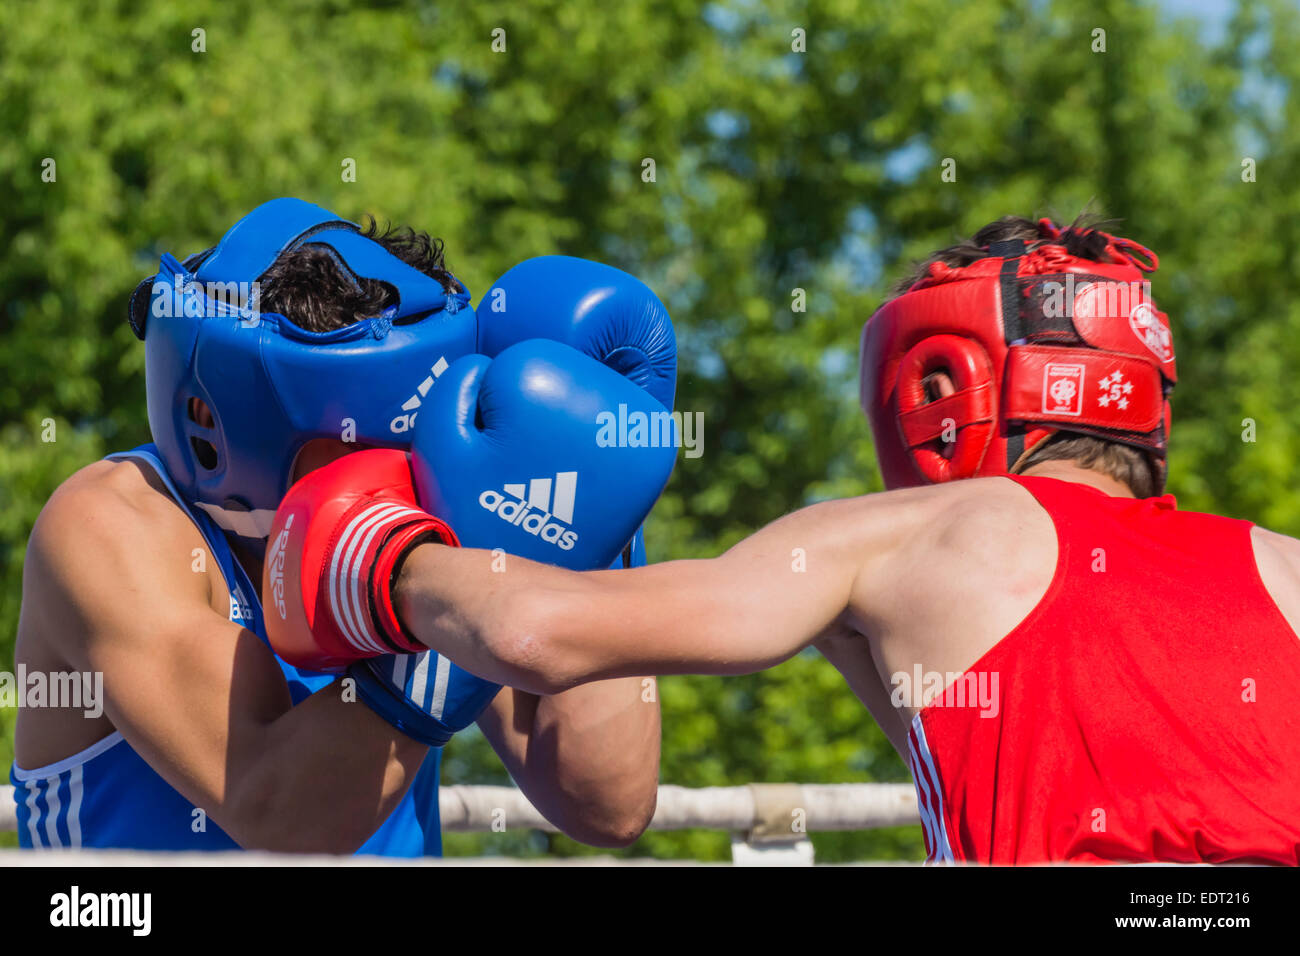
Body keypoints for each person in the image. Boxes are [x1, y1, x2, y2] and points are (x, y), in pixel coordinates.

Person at [274, 214, 1300, 864]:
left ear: (936, 389)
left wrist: (377, 540)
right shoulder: (1284, 565)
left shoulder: (908, 535)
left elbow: (537, 632)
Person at [10, 198, 677, 855]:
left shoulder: (427, 495)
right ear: (219, 424)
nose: (403, 462)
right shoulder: (113, 527)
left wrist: (593, 509)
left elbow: (602, 801)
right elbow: (281, 815)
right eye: (363, 436)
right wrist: (446, 618)